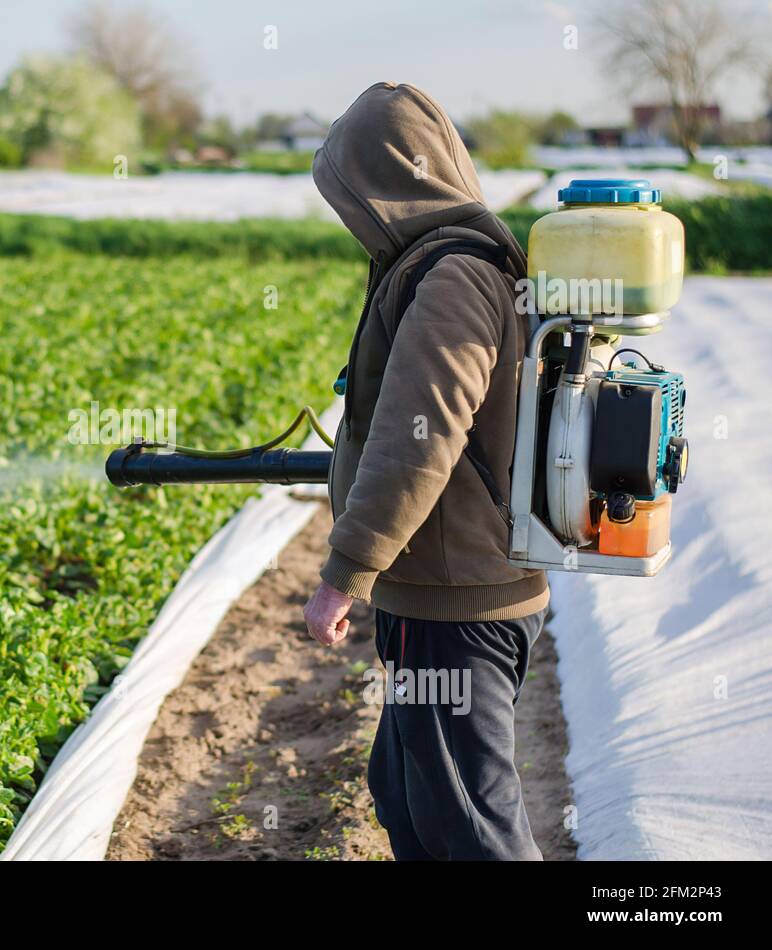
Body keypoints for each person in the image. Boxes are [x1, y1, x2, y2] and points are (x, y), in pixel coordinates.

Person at [302, 82, 548, 861]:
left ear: (384, 185)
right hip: (445, 597)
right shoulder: (462, 262)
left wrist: (347, 571)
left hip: (456, 607)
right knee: (407, 794)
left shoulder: (450, 277)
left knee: (467, 827)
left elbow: (422, 435)